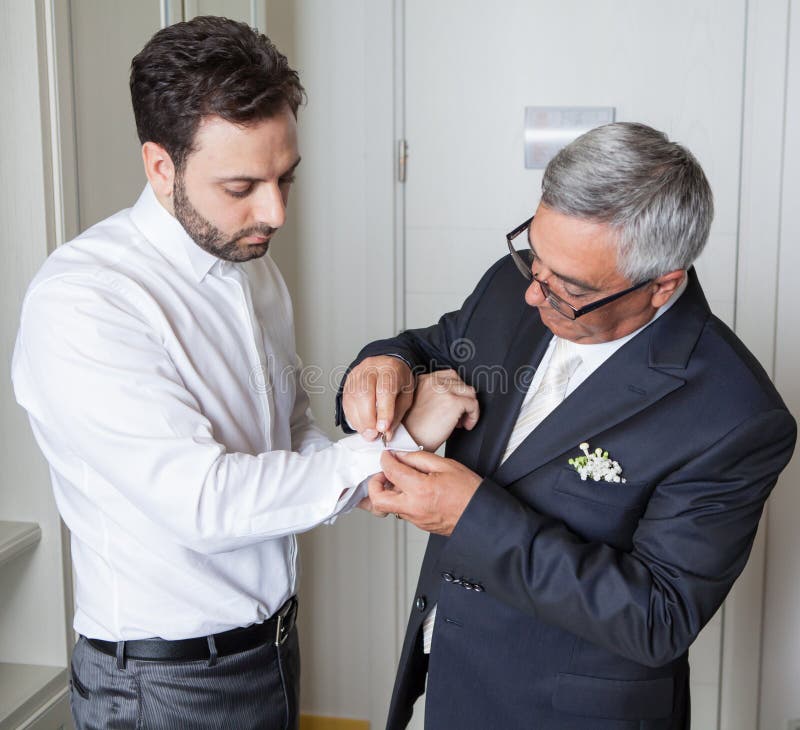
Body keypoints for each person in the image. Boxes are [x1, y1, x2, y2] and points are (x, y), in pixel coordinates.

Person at [11, 16, 477, 730]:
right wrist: (396, 444)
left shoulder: (250, 268)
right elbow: (206, 502)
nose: (276, 212)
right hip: (162, 688)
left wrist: (393, 449)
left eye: (286, 178)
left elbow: (290, 440)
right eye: (242, 186)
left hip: (270, 653)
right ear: (160, 166)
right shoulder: (85, 301)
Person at [340, 122, 797, 729]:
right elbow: (432, 346)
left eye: (569, 288)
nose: (533, 294)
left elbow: (658, 618)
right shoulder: (524, 281)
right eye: (532, 255)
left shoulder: (737, 416)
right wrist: (383, 365)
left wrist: (470, 516)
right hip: (450, 677)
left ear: (663, 284)